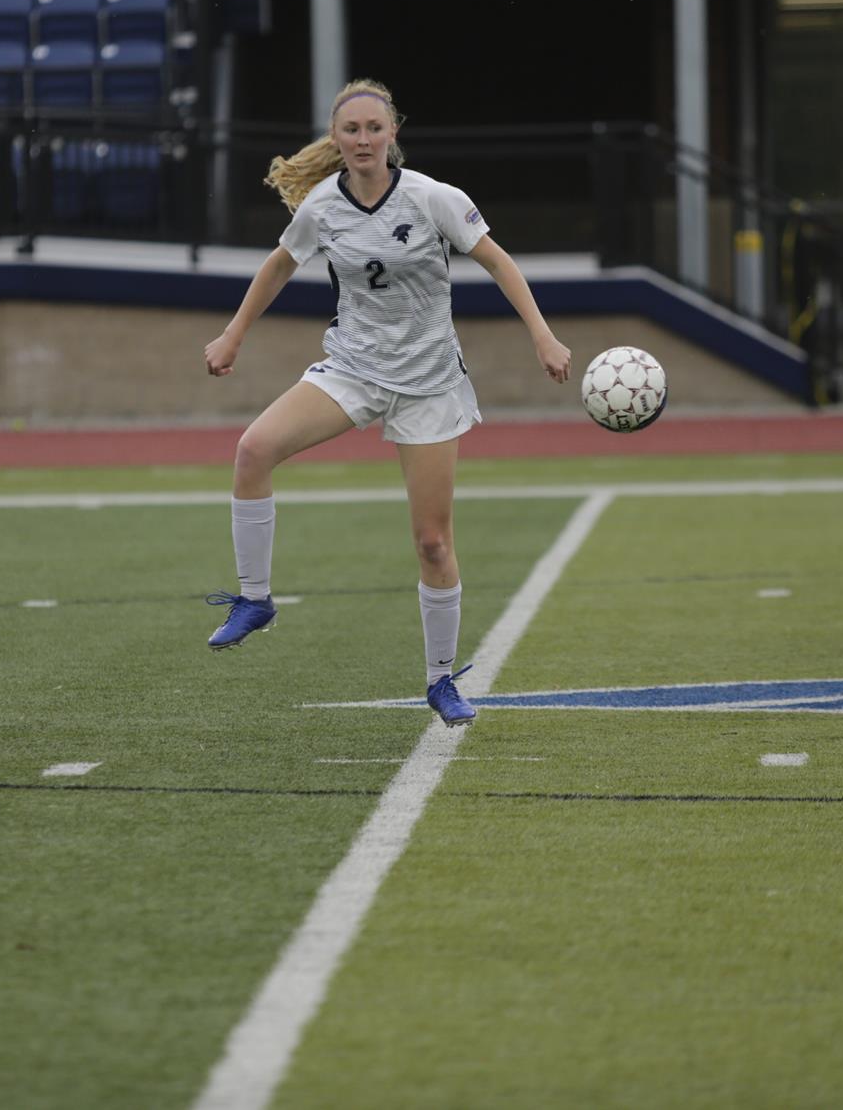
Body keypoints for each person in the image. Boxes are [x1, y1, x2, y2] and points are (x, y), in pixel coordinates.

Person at [200, 78, 572, 727]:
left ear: (393, 132)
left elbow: (499, 261)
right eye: (352, 130)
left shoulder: (433, 198)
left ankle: (440, 680)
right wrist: (233, 333)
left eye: (375, 128)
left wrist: (542, 335)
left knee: (432, 542)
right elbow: (278, 267)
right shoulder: (321, 206)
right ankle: (255, 599)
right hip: (352, 370)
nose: (364, 139)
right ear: (337, 138)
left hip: (428, 382)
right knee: (253, 448)